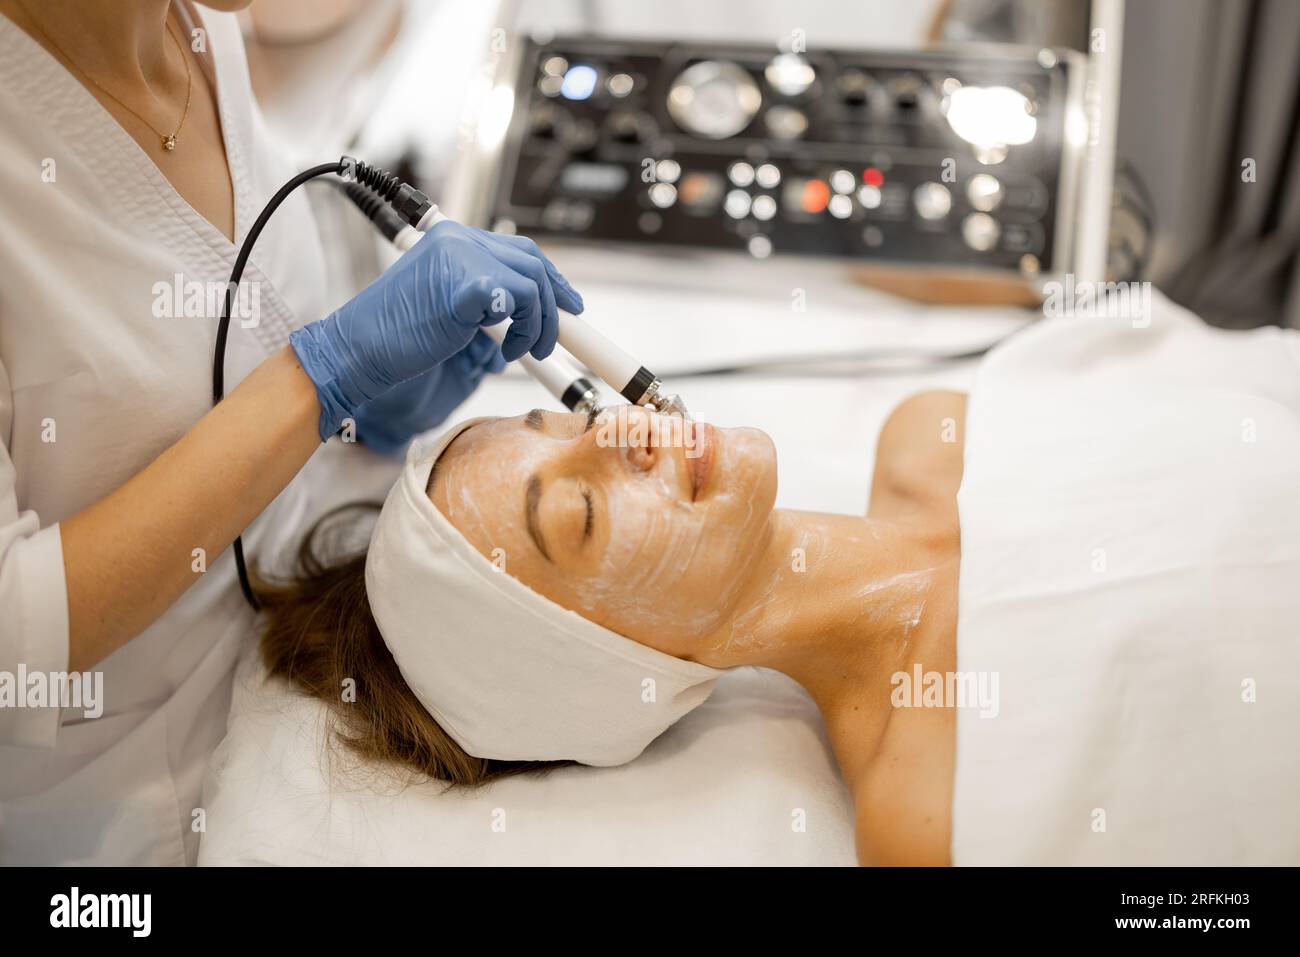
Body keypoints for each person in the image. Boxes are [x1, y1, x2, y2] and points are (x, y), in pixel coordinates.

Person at [0, 0, 582, 865]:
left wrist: (359, 410)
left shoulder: (198, 29)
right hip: (111, 830)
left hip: (290, 694)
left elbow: (211, 377)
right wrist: (318, 377)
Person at [258, 397, 967, 866]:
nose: (617, 432)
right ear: (617, 670)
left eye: (572, 420)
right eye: (584, 511)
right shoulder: (926, 811)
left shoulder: (928, 431)